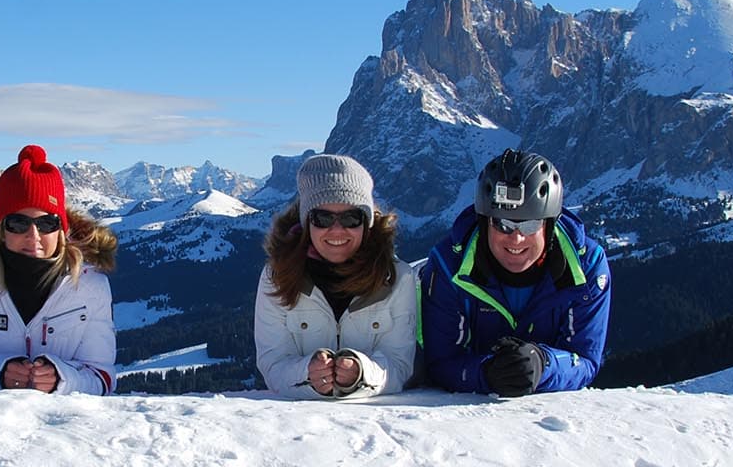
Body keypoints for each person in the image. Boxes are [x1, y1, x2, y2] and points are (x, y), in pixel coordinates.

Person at [418, 149, 610, 396]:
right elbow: (440, 362)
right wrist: (486, 373)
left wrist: (543, 364)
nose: (516, 238)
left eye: (530, 225)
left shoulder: (586, 267)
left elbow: (585, 359)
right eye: (503, 224)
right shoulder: (448, 265)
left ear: (548, 225)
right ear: (485, 221)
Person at [0, 145, 118, 393]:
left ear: (62, 229)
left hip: (62, 418)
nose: (33, 235)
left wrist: (61, 379)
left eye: (47, 223)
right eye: (18, 222)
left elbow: (102, 377)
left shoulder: (91, 284)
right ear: (0, 229)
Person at [254, 154, 417, 398]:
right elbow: (273, 364)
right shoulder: (277, 276)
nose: (337, 230)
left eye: (351, 218)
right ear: (307, 222)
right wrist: (307, 374)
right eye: (323, 218)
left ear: (367, 222)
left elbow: (399, 365)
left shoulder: (397, 279)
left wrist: (361, 373)